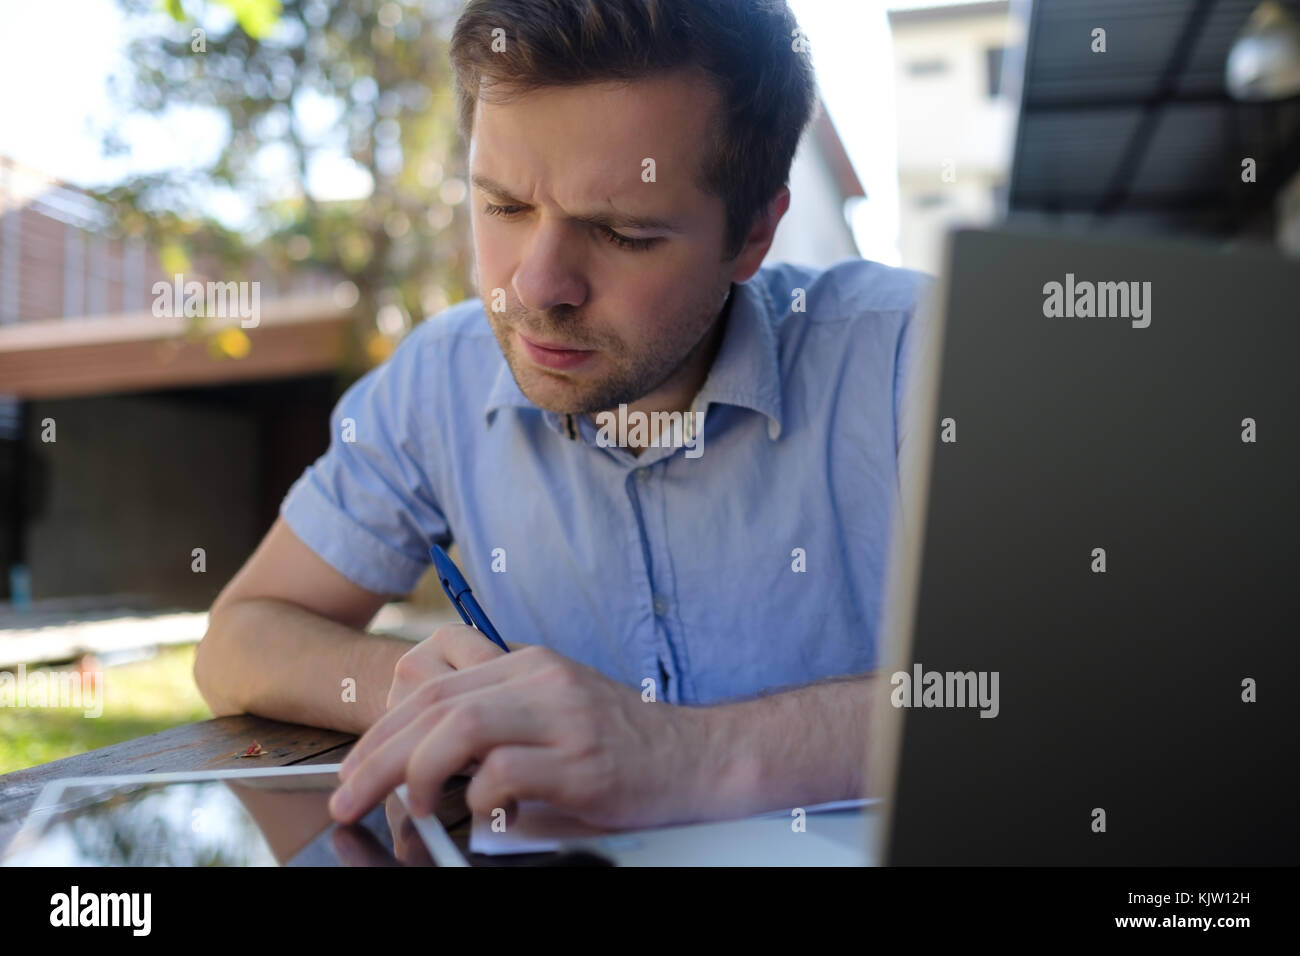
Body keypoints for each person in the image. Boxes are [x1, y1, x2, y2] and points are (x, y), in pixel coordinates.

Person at [194, 0, 930, 831]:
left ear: (755, 231)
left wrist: (684, 753)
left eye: (621, 231)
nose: (535, 287)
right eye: (503, 207)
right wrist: (431, 693)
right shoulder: (439, 381)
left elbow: (1061, 682)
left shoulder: (915, 358)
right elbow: (237, 639)